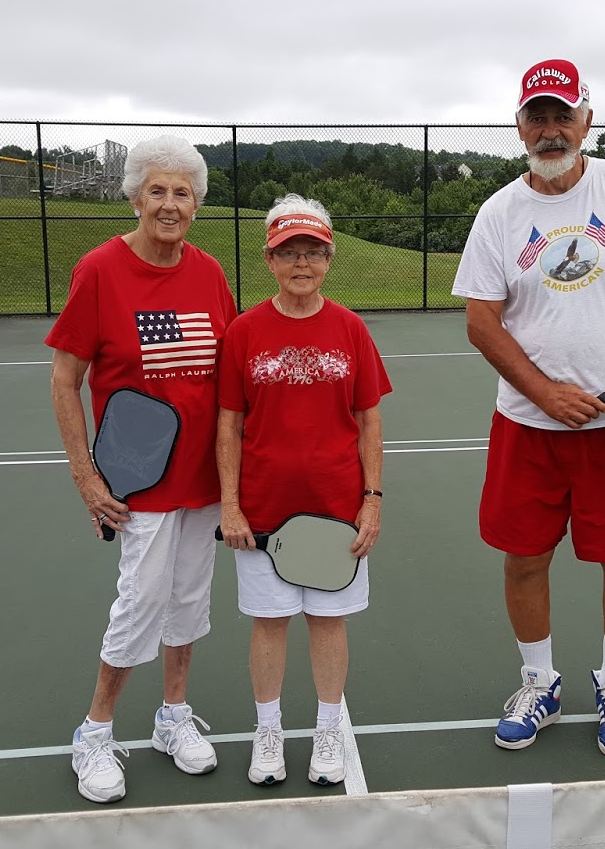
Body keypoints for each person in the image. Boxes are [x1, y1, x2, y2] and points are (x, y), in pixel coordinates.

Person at [450, 59, 605, 759]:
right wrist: (544, 391)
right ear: (519, 127)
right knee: (524, 558)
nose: (549, 130)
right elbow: (482, 322)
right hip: (528, 426)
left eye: (562, 115)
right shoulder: (499, 213)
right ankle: (540, 682)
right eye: (536, 117)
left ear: (587, 119)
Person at [46, 134, 238, 803]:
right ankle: (94, 732)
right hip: (139, 479)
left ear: (196, 204)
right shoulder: (99, 270)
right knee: (141, 601)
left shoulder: (210, 273)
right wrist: (86, 477)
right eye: (156, 190)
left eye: (182, 192)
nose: (169, 203)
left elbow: (230, 380)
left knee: (188, 601)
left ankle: (172, 716)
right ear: (133, 196)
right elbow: (65, 378)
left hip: (204, 478)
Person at [217, 194, 391, 787]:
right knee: (269, 624)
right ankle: (267, 731)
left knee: (327, 622)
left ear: (328, 258)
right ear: (269, 259)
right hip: (263, 514)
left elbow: (369, 421)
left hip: (337, 513)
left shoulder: (350, 329)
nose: (301, 263)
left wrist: (372, 499)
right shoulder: (243, 332)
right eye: (289, 251)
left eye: (312, 252)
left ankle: (325, 730)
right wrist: (231, 504)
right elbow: (229, 425)